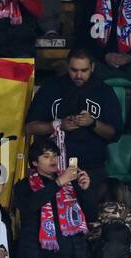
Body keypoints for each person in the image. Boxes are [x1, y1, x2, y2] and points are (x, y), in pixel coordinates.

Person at [24, 51, 124, 192]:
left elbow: (115, 134)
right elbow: (30, 127)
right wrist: (58, 125)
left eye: (84, 70)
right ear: (67, 66)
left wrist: (93, 123)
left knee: (90, 212)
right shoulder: (51, 89)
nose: (78, 75)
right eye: (74, 70)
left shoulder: (104, 92)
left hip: (92, 167)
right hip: (52, 169)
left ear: (93, 67)